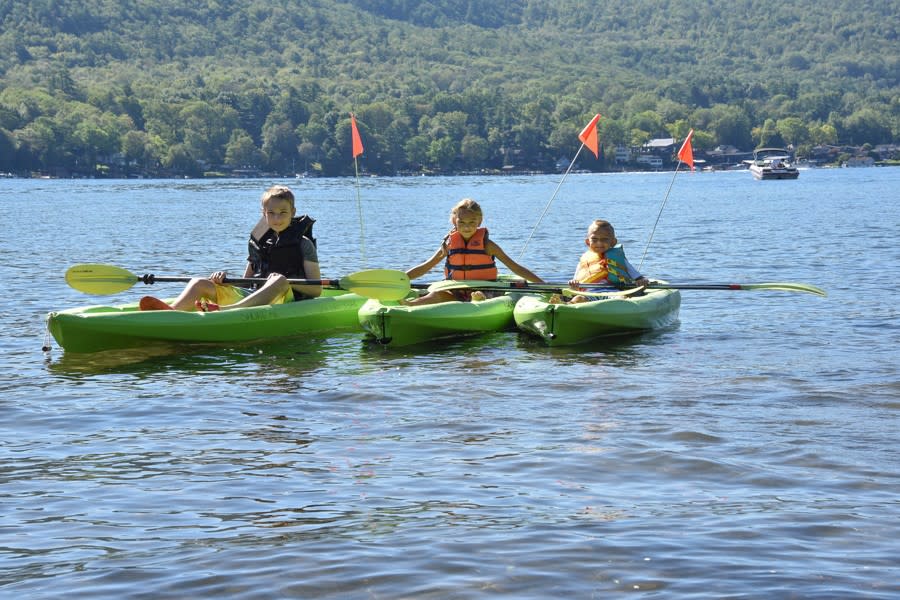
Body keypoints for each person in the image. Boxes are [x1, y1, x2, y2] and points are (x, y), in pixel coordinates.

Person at [139, 185, 321, 311]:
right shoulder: (259, 242)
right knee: (199, 282)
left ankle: (229, 310)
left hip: (286, 300)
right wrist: (223, 280)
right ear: (263, 214)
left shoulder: (303, 244)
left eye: (283, 213)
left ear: (293, 213)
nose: (277, 218)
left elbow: (316, 290)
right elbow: (246, 281)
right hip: (255, 297)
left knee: (279, 280)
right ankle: (171, 312)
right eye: (271, 213)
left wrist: (286, 281)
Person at [403, 198, 544, 306]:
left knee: (479, 294)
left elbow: (515, 267)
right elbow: (426, 266)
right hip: (456, 289)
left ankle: (478, 301)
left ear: (479, 221)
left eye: (471, 222)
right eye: (462, 222)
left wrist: (543, 284)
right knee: (435, 295)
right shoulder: (448, 245)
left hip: (486, 289)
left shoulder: (488, 245)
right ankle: (410, 305)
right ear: (454, 221)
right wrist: (402, 278)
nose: (467, 227)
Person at [560, 219, 651, 304]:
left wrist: (642, 281)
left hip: (613, 293)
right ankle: (567, 307)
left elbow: (638, 277)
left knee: (621, 298)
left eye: (604, 239)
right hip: (589, 294)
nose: (599, 243)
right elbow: (576, 281)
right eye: (594, 239)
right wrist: (574, 285)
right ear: (588, 242)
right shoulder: (584, 261)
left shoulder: (619, 259)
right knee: (579, 299)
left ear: (613, 242)